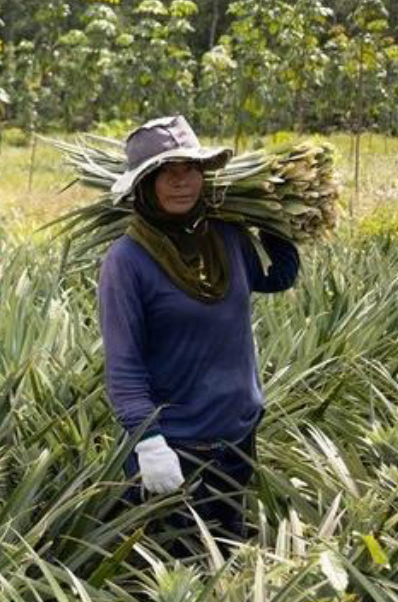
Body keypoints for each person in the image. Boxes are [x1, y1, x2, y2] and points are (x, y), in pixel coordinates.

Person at [98, 115, 300, 555]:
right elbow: (124, 368)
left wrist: (277, 217)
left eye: (189, 168)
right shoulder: (127, 261)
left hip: (237, 437)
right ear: (143, 184)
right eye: (165, 171)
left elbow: (275, 277)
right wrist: (148, 444)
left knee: (227, 555)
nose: (180, 181)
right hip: (176, 445)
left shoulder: (227, 236)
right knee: (178, 575)